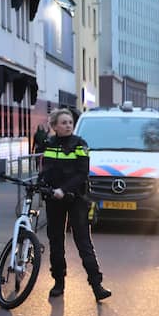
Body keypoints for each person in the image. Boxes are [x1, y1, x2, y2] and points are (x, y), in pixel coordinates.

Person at [40, 108, 111, 302]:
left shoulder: (80, 144)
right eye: (63, 122)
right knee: (56, 242)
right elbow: (45, 169)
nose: (68, 125)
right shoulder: (49, 144)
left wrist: (63, 189)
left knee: (83, 242)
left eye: (70, 122)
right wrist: (41, 185)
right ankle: (58, 283)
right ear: (54, 126)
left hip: (76, 199)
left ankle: (97, 286)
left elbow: (82, 173)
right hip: (54, 200)